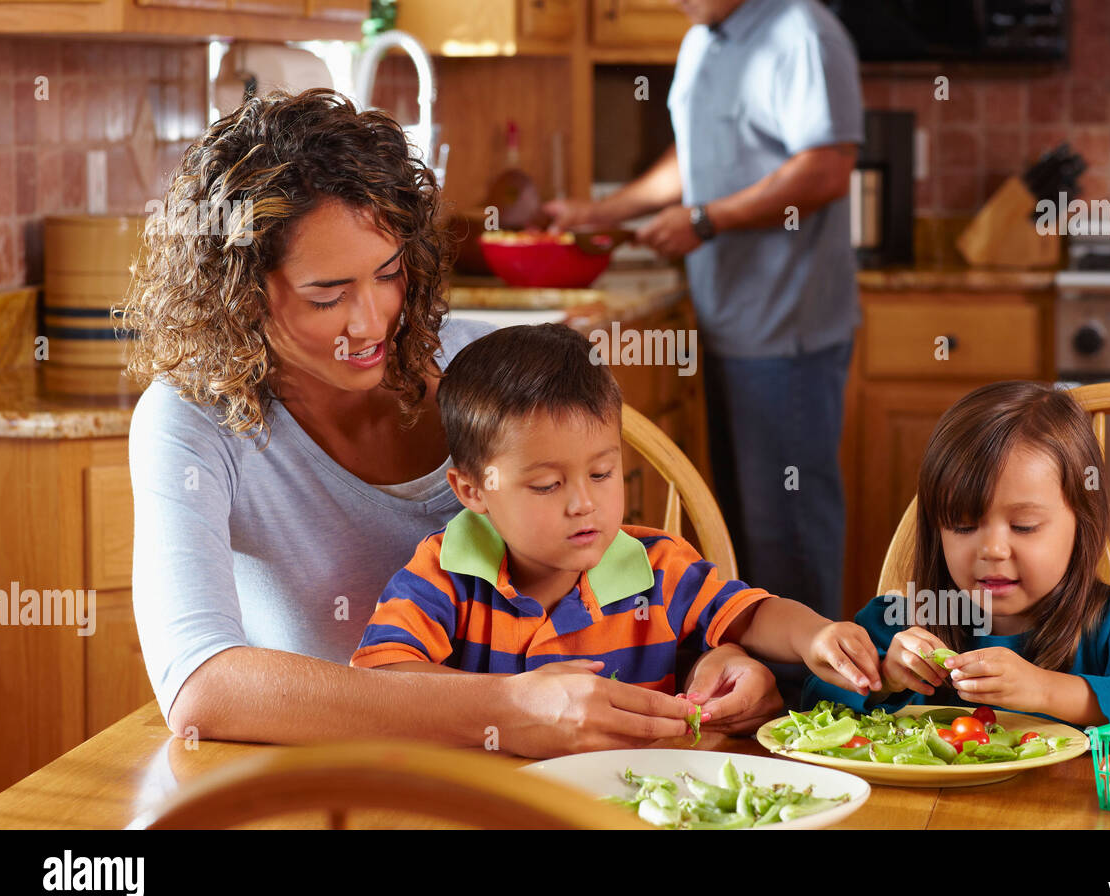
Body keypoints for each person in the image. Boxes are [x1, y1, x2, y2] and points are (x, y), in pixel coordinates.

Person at [122, 88, 784, 758]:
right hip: (334, 780)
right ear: (241, 295)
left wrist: (710, 660)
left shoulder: (490, 366)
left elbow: (618, 580)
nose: (371, 321)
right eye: (328, 295)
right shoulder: (190, 423)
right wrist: (510, 707)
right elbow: (200, 687)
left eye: (388, 274)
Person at [545, 0, 862, 640]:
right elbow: (695, 158)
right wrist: (604, 212)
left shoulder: (799, 34)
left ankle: (824, 706)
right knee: (747, 528)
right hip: (725, 317)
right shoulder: (706, 38)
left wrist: (706, 221)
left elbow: (825, 167)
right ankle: (768, 703)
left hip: (786, 327)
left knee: (786, 528)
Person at [350, 324, 881, 711]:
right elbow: (383, 678)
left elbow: (754, 614)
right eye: (547, 485)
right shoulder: (445, 576)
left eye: (602, 474)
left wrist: (815, 634)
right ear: (472, 490)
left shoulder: (660, 567)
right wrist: (510, 701)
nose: (582, 503)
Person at [802, 381, 1110, 726]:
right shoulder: (904, 621)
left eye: (1024, 526)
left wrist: (1046, 690)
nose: (992, 550)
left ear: (1083, 525)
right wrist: (884, 682)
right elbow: (811, 708)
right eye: (962, 525)